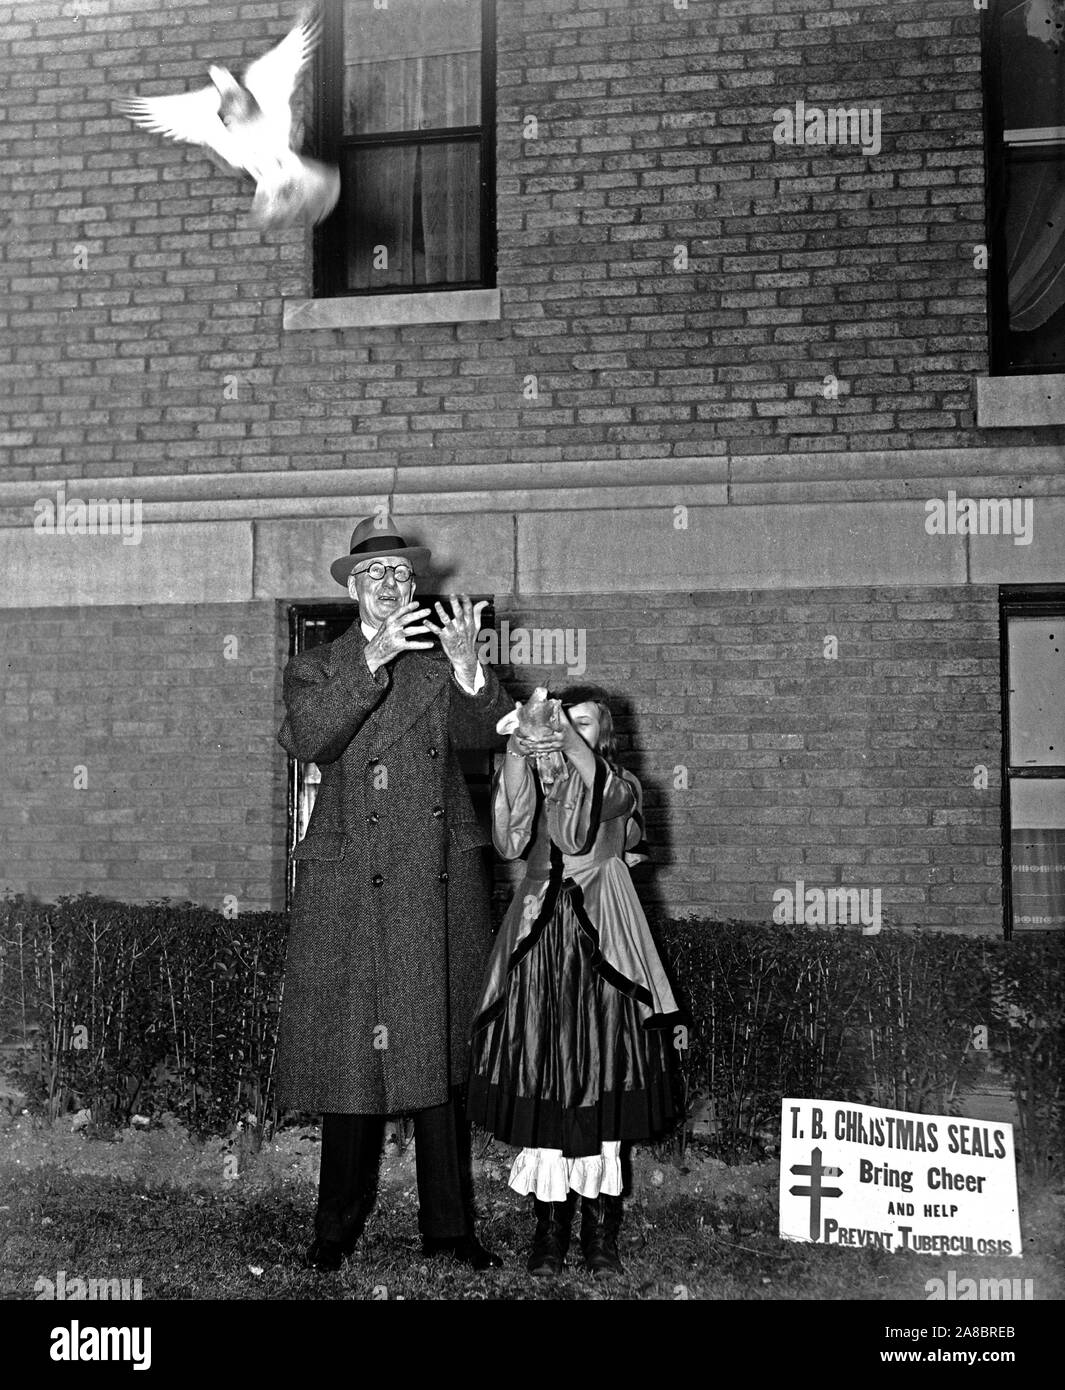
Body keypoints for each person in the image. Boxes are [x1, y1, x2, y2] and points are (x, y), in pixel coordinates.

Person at [276, 516, 514, 1272]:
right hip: (351, 887)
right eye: (375, 576)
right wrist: (371, 661)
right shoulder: (318, 667)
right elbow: (310, 739)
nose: (391, 585)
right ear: (351, 588)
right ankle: (334, 1226)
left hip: (431, 880)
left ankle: (449, 1229)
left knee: (435, 1058)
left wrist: (471, 671)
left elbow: (483, 734)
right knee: (353, 1064)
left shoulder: (439, 663)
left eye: (403, 576)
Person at [467, 684, 683, 1277]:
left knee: (600, 1073)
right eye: (565, 722)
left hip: (605, 949)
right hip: (537, 945)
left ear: (603, 737)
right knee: (544, 1072)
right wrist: (516, 744)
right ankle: (549, 1230)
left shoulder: (625, 787)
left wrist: (560, 739)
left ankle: (599, 1234)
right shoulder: (539, 776)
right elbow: (510, 840)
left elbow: (584, 824)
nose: (569, 732)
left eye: (582, 724)